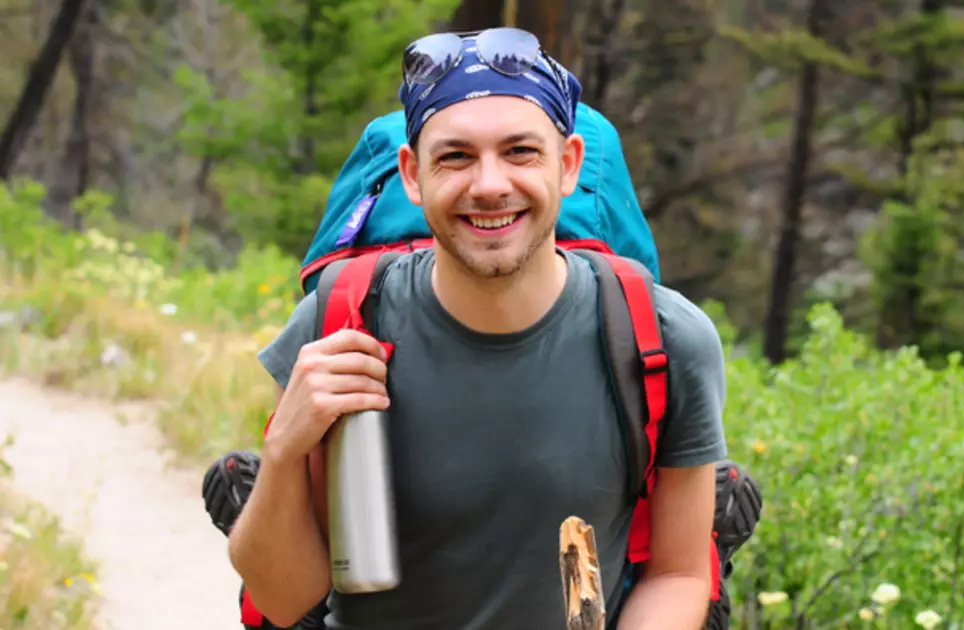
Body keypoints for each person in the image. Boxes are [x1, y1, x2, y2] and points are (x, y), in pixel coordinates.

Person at [224, 29, 729, 629]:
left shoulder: (665, 341)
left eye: (520, 152)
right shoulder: (341, 322)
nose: (490, 185)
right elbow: (284, 602)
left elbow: (677, 573)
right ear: (412, 175)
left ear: (568, 165)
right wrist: (282, 450)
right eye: (456, 156)